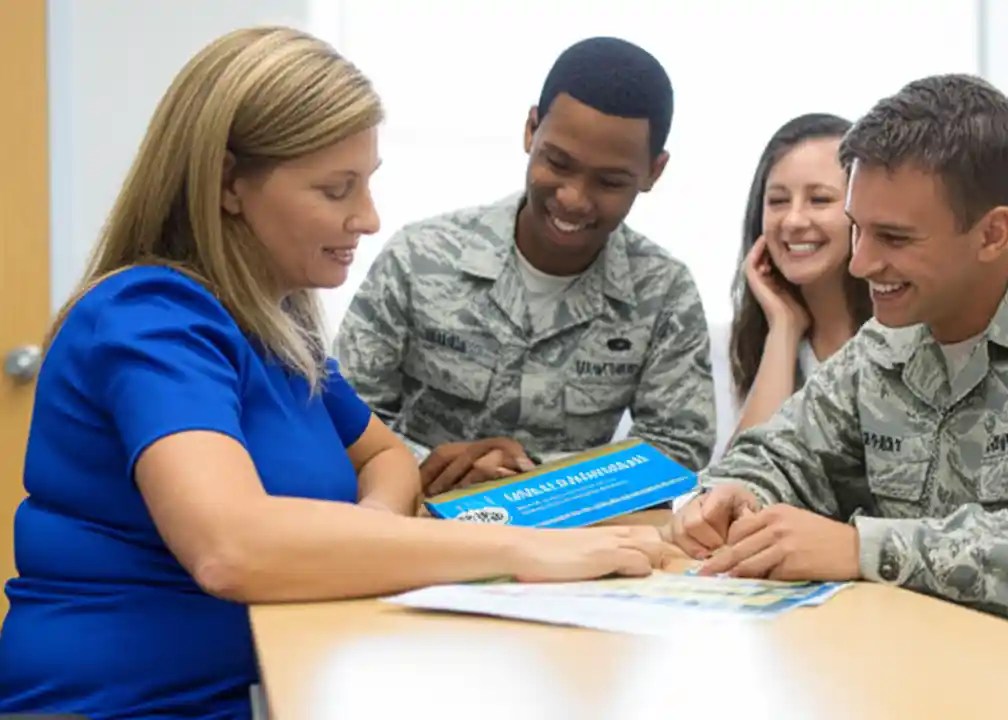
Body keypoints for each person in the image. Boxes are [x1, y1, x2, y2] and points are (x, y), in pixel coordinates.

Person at [0, 27, 665, 719]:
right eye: (336, 189)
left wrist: (370, 532)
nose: (369, 218)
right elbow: (230, 548)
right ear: (229, 184)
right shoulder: (151, 319)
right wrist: (526, 549)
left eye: (368, 183)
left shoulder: (277, 335)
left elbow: (383, 456)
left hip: (266, 686)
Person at [665, 73, 1008, 673]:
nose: (861, 261)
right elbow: (778, 455)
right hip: (933, 668)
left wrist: (865, 549)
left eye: (894, 238)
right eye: (858, 227)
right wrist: (732, 497)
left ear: (992, 233)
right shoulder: (884, 347)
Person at [335, 36, 716, 497]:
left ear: (654, 172)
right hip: (415, 520)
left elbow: (678, 448)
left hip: (572, 543)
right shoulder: (420, 258)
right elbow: (342, 414)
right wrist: (439, 470)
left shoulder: (664, 293)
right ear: (531, 130)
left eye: (610, 181)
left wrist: (529, 477)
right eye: (558, 162)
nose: (574, 198)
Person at [729, 113, 872, 435]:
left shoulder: (906, 333)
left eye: (819, 200)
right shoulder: (762, 337)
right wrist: (784, 328)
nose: (793, 220)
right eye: (778, 201)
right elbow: (741, 477)